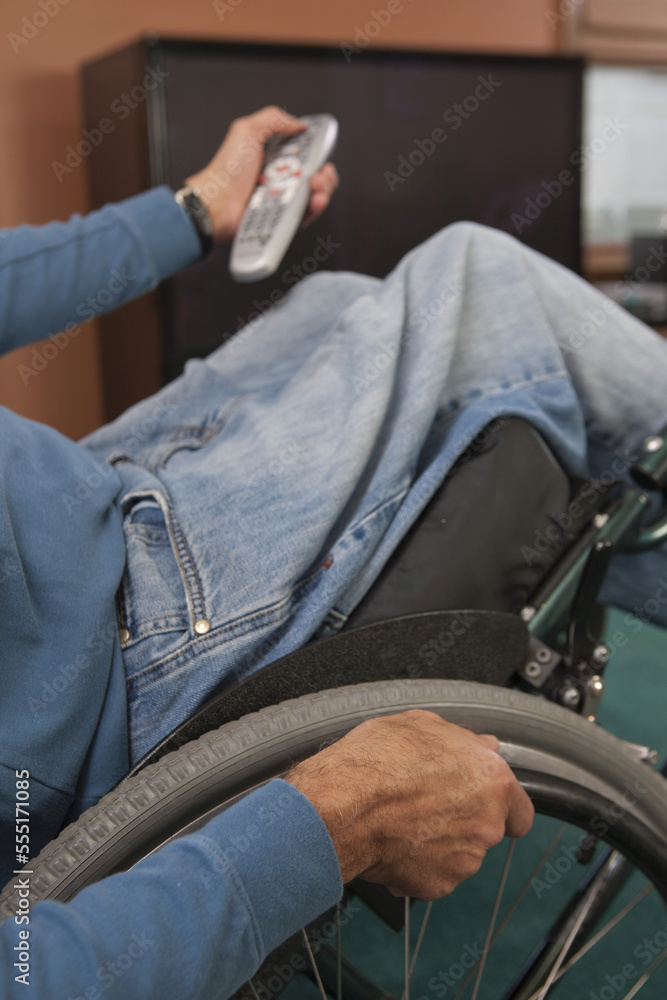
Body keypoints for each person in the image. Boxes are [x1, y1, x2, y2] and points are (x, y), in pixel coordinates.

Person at [0, 103, 665, 999]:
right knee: (478, 288)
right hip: (116, 645)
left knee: (333, 301)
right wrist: (320, 827)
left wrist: (193, 210)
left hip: (77, 500)